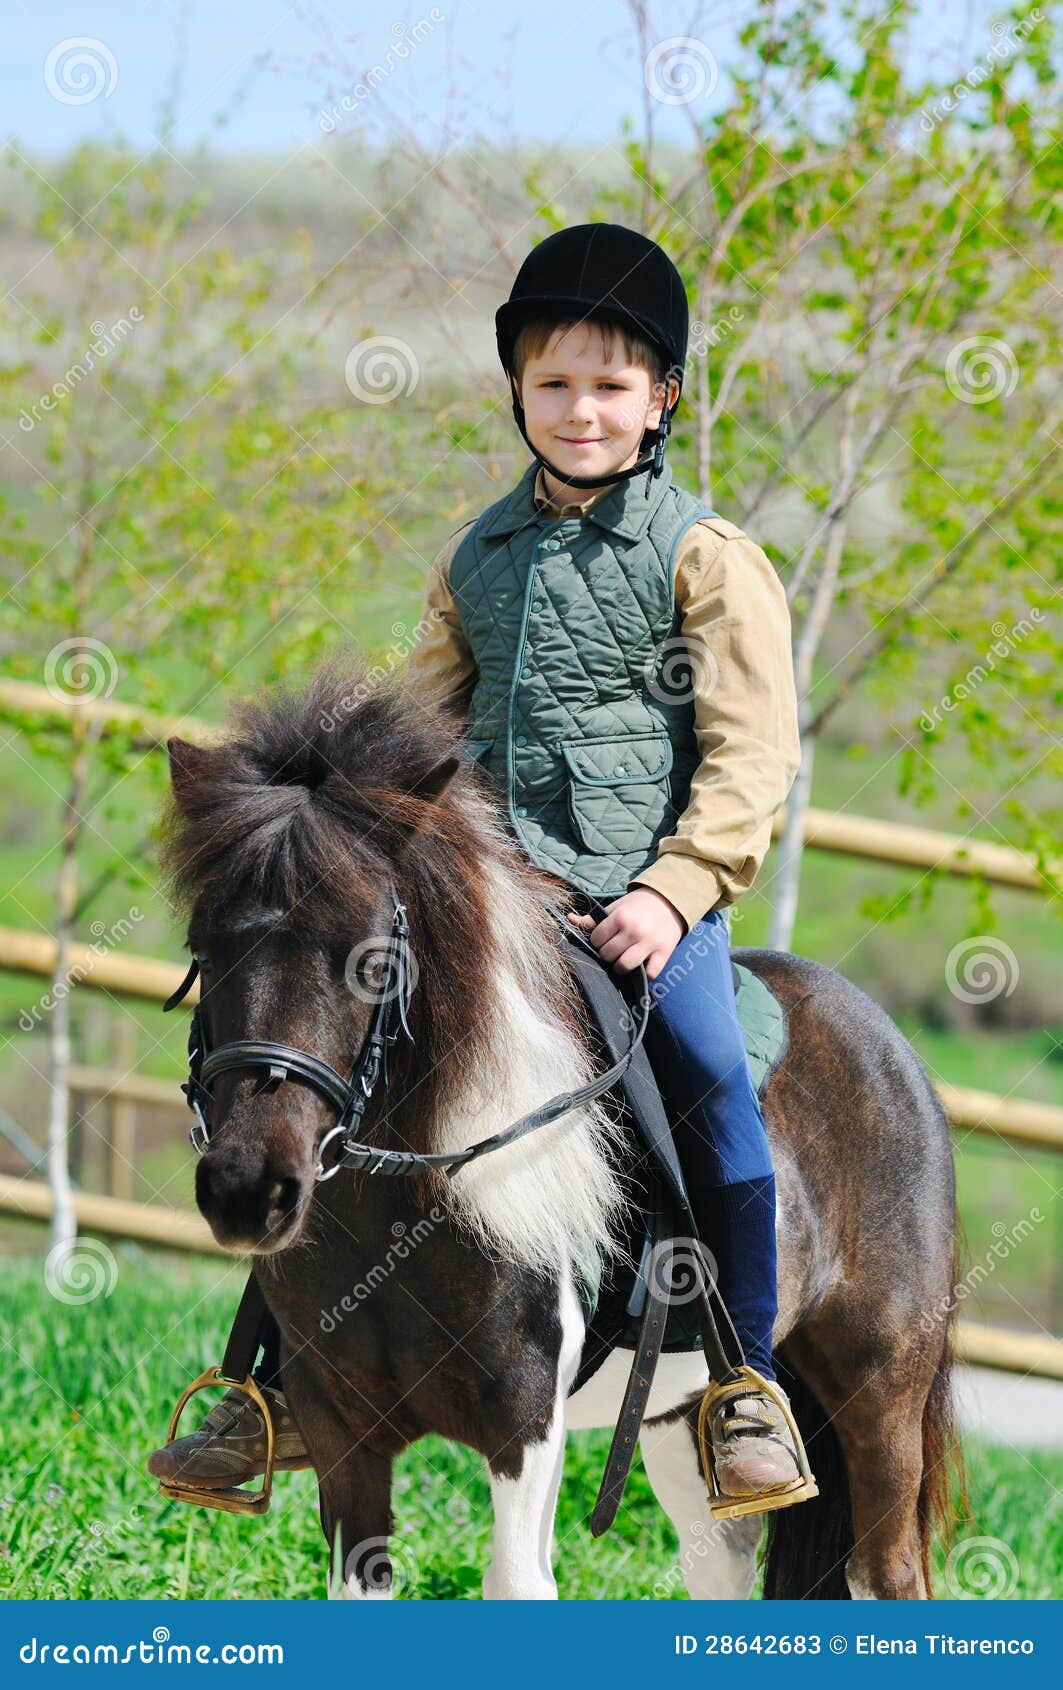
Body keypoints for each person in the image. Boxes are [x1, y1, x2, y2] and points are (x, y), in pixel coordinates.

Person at [149, 222, 807, 1509]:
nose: (581, 410)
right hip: (504, 900)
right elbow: (424, 740)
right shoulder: (476, 555)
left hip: (648, 904)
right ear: (517, 389)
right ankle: (267, 1381)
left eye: (612, 386)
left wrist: (673, 896)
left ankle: (745, 1385)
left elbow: (752, 757)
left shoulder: (706, 557)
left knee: (711, 1083)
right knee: (339, 1067)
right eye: (553, 382)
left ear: (661, 398)